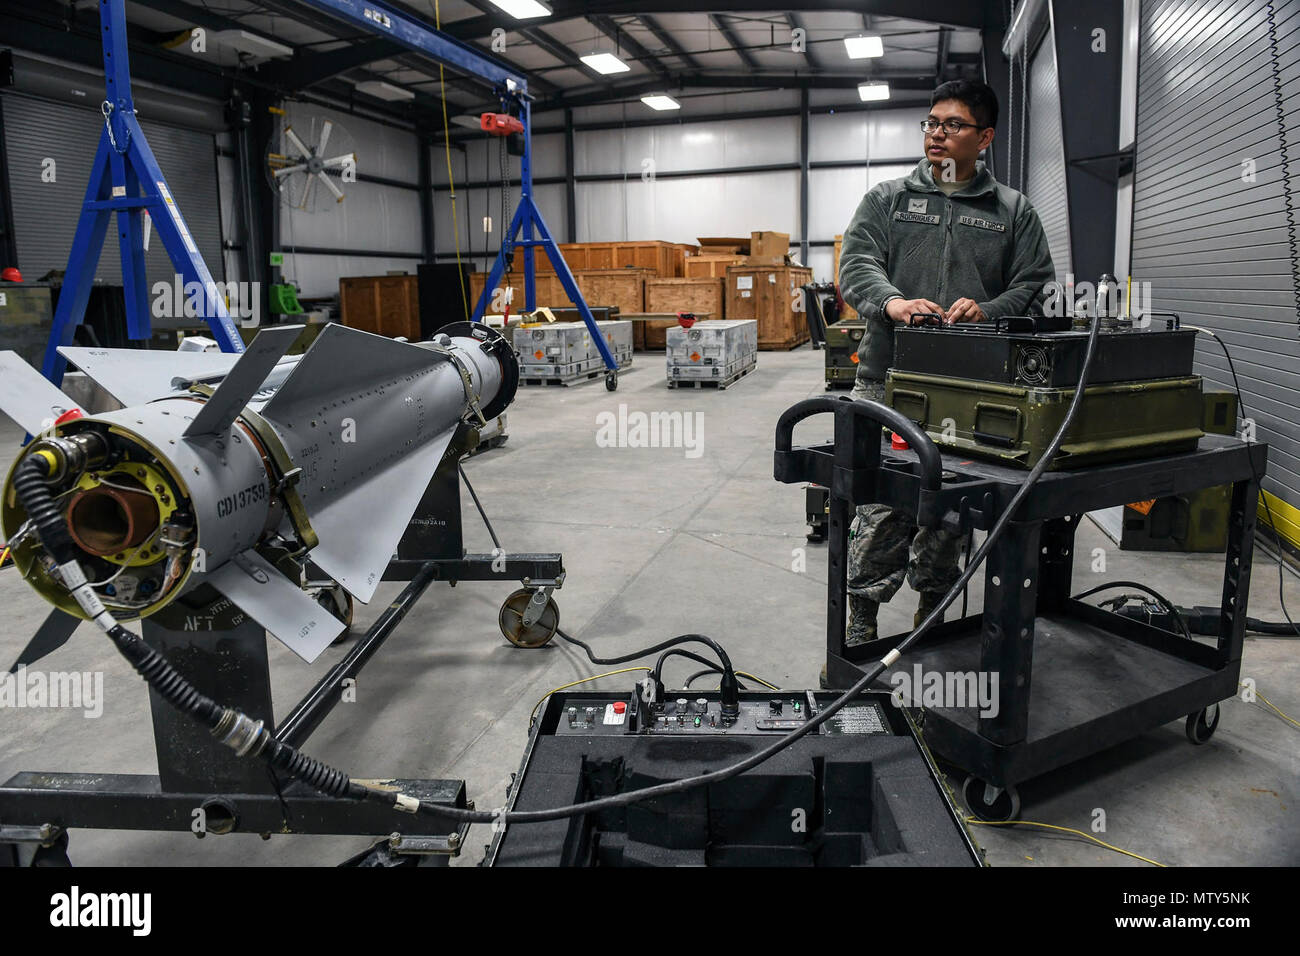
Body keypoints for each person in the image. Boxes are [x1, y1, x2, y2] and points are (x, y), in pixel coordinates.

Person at [836, 79, 1055, 651]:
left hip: (969, 390)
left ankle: (932, 617)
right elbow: (856, 264)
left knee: (949, 511)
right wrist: (892, 303)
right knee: (884, 502)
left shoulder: (1012, 211)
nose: (937, 134)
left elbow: (1034, 284)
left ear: (983, 138)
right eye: (931, 123)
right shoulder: (888, 199)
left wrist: (986, 311)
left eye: (952, 125)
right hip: (889, 380)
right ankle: (860, 619)